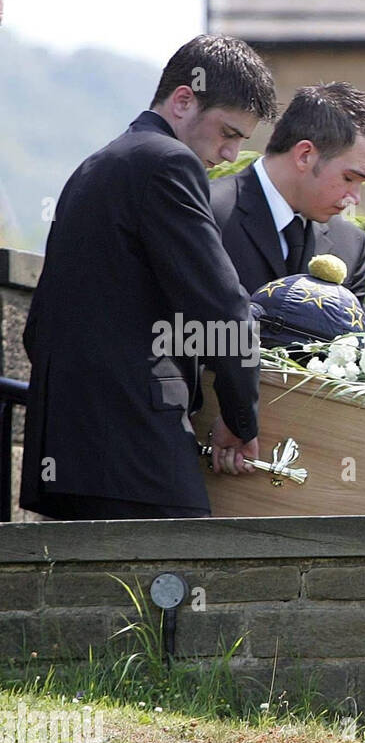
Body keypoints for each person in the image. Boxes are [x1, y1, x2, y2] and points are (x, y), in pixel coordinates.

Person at [20, 35, 277, 520]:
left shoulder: (94, 166)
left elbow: (41, 324)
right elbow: (223, 309)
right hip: (135, 452)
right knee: (177, 581)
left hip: (66, 451)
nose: (228, 154)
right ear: (183, 100)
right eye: (227, 132)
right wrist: (240, 420)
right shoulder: (168, 164)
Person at [211, 82, 365, 315]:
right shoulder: (206, 212)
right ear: (305, 155)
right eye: (349, 178)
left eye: (362, 184)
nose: (354, 199)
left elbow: (351, 343)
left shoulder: (350, 243)